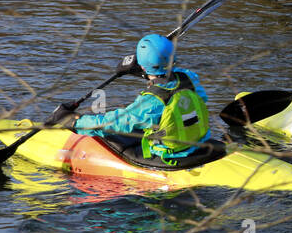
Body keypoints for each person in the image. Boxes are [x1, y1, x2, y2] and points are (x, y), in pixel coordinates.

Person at [63, 34, 210, 163]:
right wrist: (140, 70)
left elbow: (115, 122)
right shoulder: (189, 78)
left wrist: (76, 122)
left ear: (144, 67)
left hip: (170, 153)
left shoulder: (150, 102)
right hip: (198, 141)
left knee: (107, 131)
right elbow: (188, 88)